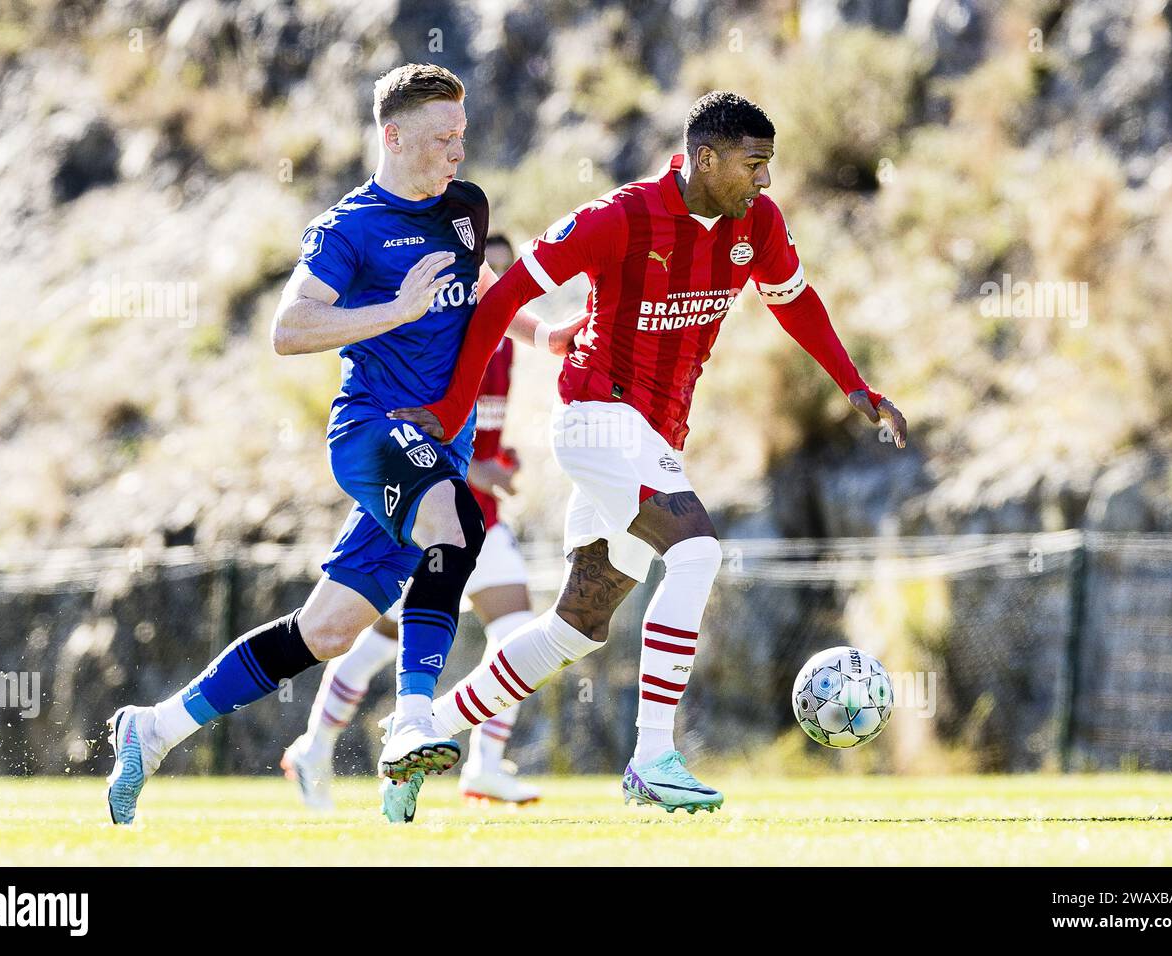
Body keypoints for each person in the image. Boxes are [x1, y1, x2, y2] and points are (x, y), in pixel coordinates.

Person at [388, 91, 909, 814]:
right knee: (697, 551)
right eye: (754, 165)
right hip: (597, 419)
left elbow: (793, 299)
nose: (764, 181)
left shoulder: (757, 223)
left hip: (651, 438)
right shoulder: (619, 218)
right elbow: (503, 298)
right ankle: (653, 758)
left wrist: (854, 384)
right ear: (705, 158)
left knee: (578, 625)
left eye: (770, 166)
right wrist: (449, 412)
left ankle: (422, 735)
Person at [104, 65, 579, 825]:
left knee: (325, 632)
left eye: (463, 136)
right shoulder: (348, 228)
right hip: (371, 432)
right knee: (458, 526)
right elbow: (288, 330)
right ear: (392, 137)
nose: (458, 152)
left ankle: (155, 728)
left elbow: (481, 292)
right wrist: (394, 309)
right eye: (441, 139)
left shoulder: (466, 207)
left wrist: (545, 332)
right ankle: (415, 720)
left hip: (437, 450)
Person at [281, 235, 544, 811]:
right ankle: (318, 746)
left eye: (501, 279)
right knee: (372, 637)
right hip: (427, 511)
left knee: (518, 631)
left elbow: (477, 426)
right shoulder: (439, 335)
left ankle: (484, 764)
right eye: (480, 277)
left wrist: (498, 462)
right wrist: (478, 470)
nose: (489, 290)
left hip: (482, 519)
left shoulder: (506, 345)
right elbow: (417, 427)